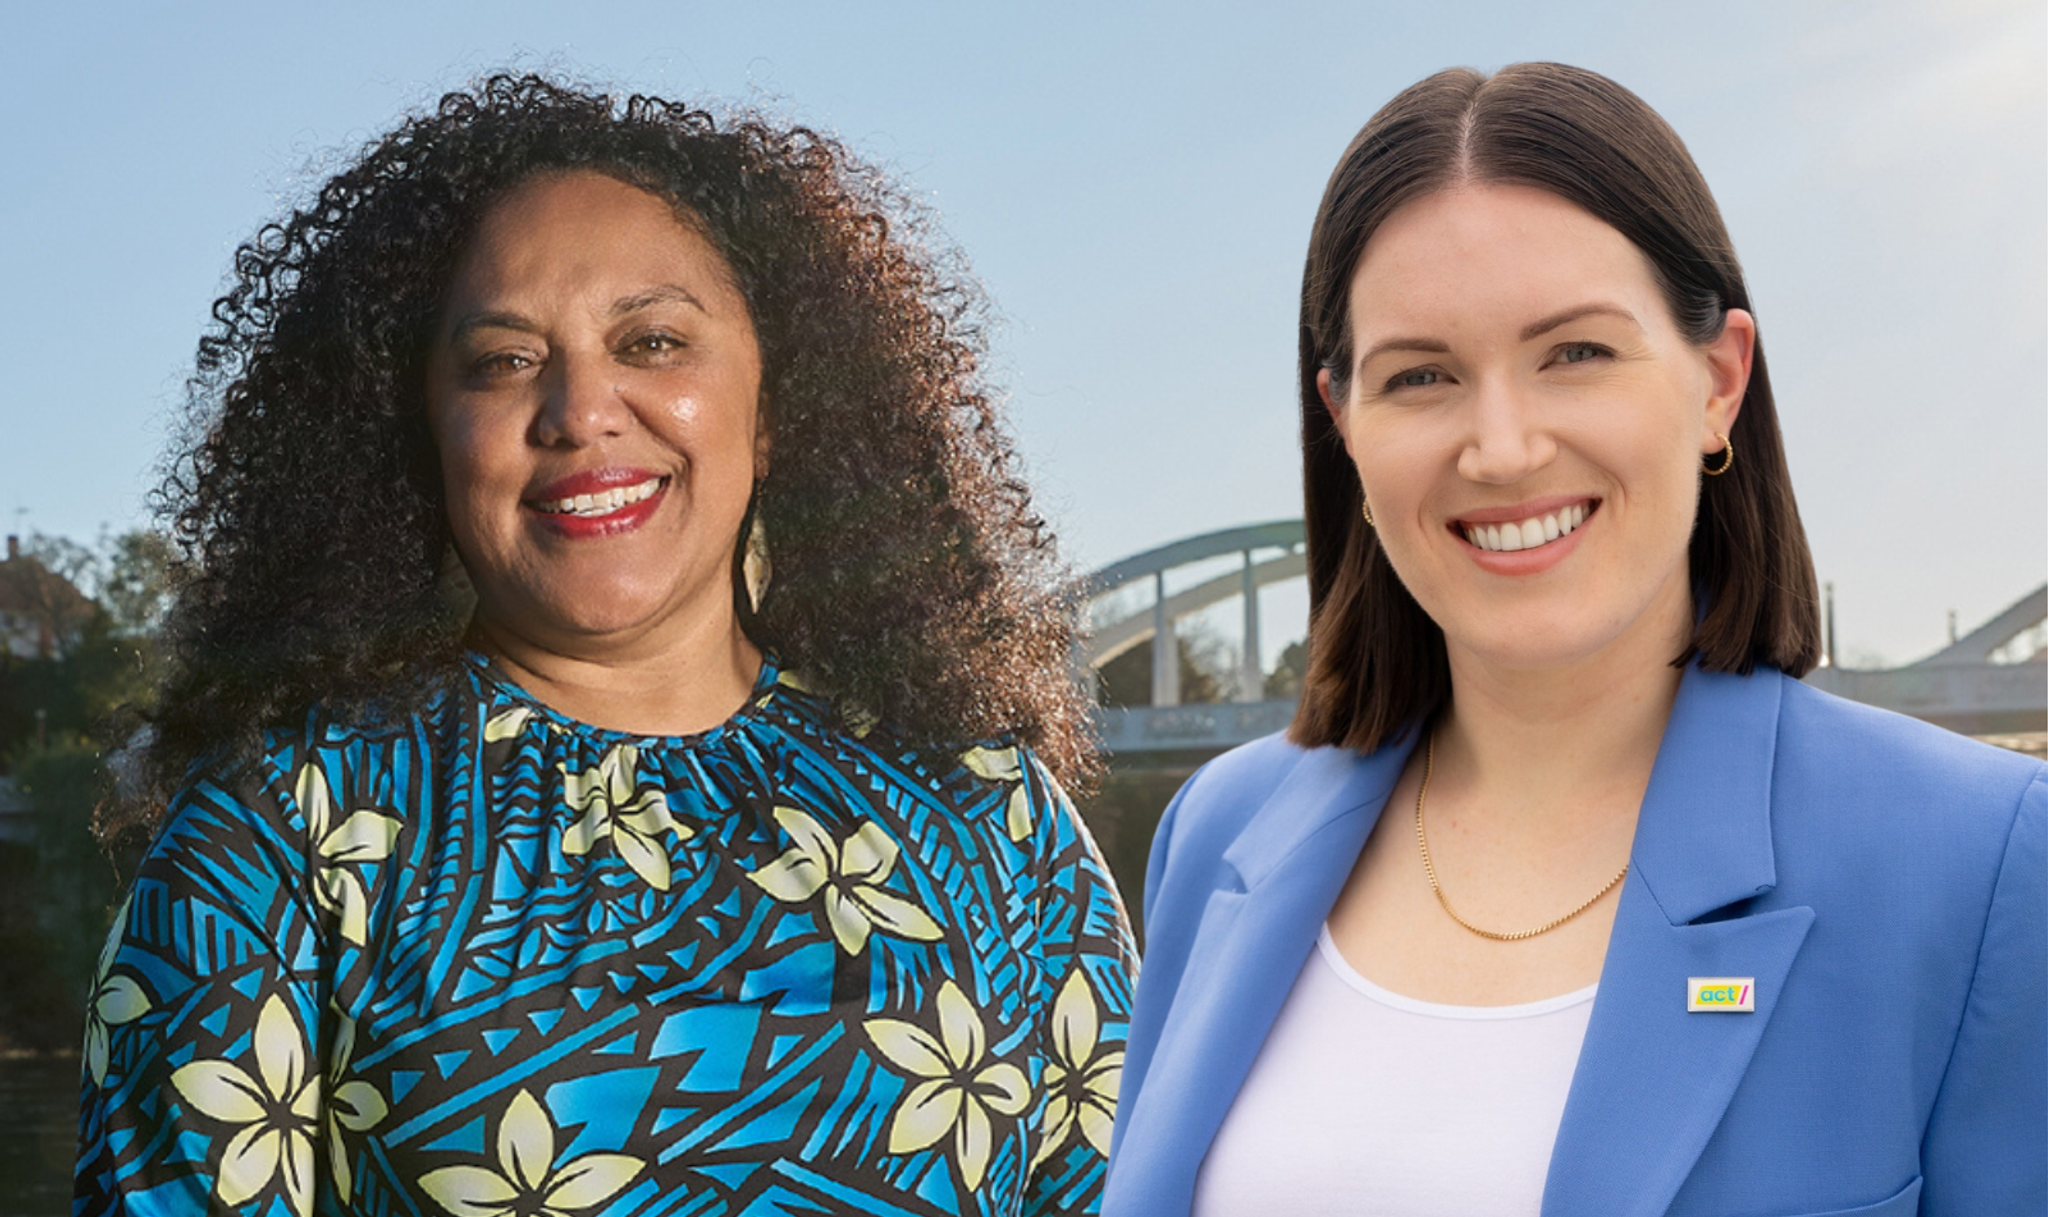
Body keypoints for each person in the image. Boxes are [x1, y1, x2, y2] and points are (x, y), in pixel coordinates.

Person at [77, 73, 1133, 1217]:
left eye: (653, 340)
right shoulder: (276, 826)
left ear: (776, 407)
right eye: (503, 360)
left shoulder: (991, 813)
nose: (581, 408)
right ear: (421, 431)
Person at [1106, 63, 2043, 1217]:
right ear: (1343, 426)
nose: (1500, 448)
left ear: (1716, 379)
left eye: (1575, 353)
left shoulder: (1980, 860)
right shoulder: (1218, 833)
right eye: (1420, 375)